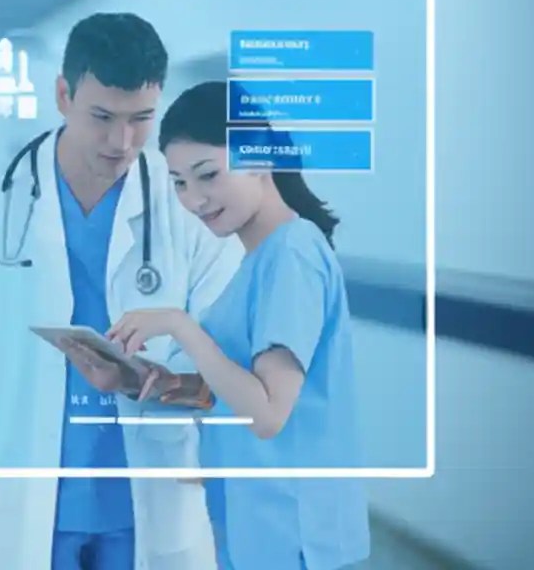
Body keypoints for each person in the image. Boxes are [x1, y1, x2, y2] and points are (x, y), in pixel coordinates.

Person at [0, 14, 244, 569]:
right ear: (63, 95)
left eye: (142, 119)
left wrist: (189, 397)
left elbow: (236, 354)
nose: (122, 142)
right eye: (103, 117)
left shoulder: (192, 213)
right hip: (27, 497)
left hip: (153, 494)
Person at [79, 81, 371, 569]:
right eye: (179, 183)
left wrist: (179, 325)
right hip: (254, 528)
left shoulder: (293, 253)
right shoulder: (257, 262)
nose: (194, 199)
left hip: (299, 538)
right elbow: (227, 392)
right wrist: (133, 383)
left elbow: (267, 413)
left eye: (207, 175)